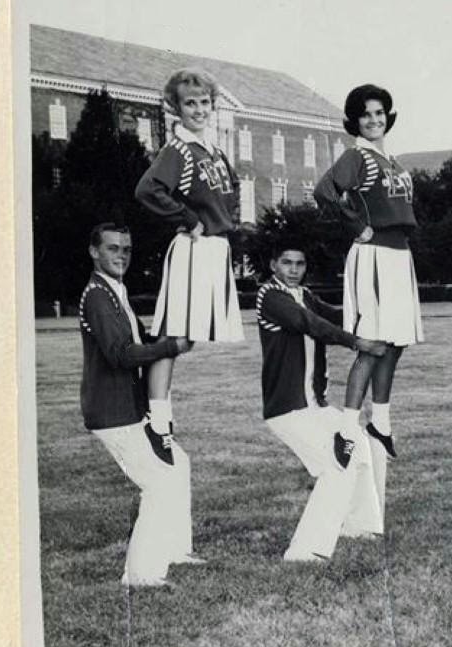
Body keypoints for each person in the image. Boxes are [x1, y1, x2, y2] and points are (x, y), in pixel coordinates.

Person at [78, 222, 198, 587]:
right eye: (113, 249)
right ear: (94, 252)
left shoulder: (115, 289)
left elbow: (136, 338)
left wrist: (164, 338)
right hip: (112, 412)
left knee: (178, 465)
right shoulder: (97, 294)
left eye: (126, 249)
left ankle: (176, 549)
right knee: (159, 482)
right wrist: (168, 348)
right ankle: (140, 575)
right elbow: (121, 355)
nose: (121, 256)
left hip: (128, 407)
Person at [134, 67, 243, 465]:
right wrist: (188, 219)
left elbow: (225, 197)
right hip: (194, 248)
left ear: (212, 107)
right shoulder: (177, 150)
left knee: (187, 339)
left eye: (203, 103)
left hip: (215, 249)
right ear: (175, 108)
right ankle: (157, 419)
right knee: (173, 336)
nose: (198, 109)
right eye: (189, 103)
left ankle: (155, 412)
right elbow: (148, 190)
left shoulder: (212, 151)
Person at [256, 239, 388, 560]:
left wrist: (373, 310)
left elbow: (336, 316)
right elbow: (309, 324)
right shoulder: (270, 296)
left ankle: (360, 526)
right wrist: (357, 342)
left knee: (358, 444)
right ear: (273, 264)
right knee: (336, 463)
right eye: (287, 263)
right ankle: (305, 551)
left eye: (300, 264)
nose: (293, 270)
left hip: (315, 406)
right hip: (288, 408)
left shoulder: (304, 295)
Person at [314, 84, 423, 470]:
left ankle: (381, 421)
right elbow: (325, 191)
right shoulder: (357, 155)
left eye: (380, 113)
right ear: (355, 121)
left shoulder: (391, 159)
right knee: (373, 343)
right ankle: (347, 428)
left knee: (396, 342)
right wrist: (356, 227)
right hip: (373, 254)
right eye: (366, 115)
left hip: (398, 255)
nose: (374, 120)